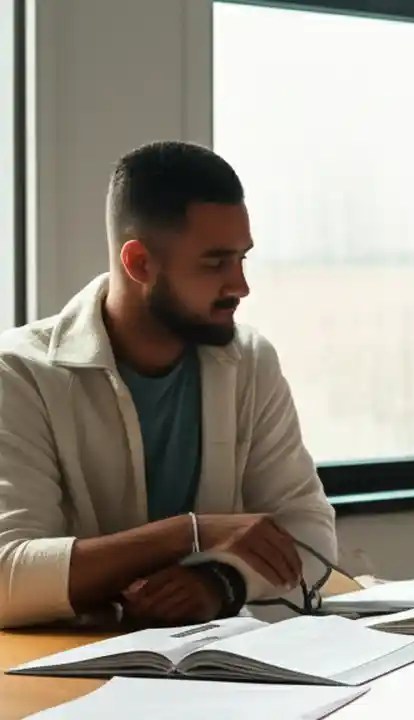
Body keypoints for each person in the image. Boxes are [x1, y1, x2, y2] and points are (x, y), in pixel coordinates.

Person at [0, 140, 338, 629]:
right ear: (139, 263)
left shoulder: (250, 361)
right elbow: (8, 575)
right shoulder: (19, 373)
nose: (240, 286)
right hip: (68, 663)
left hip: (215, 661)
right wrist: (190, 534)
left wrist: (220, 583)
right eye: (215, 263)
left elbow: (308, 532)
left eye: (242, 259)